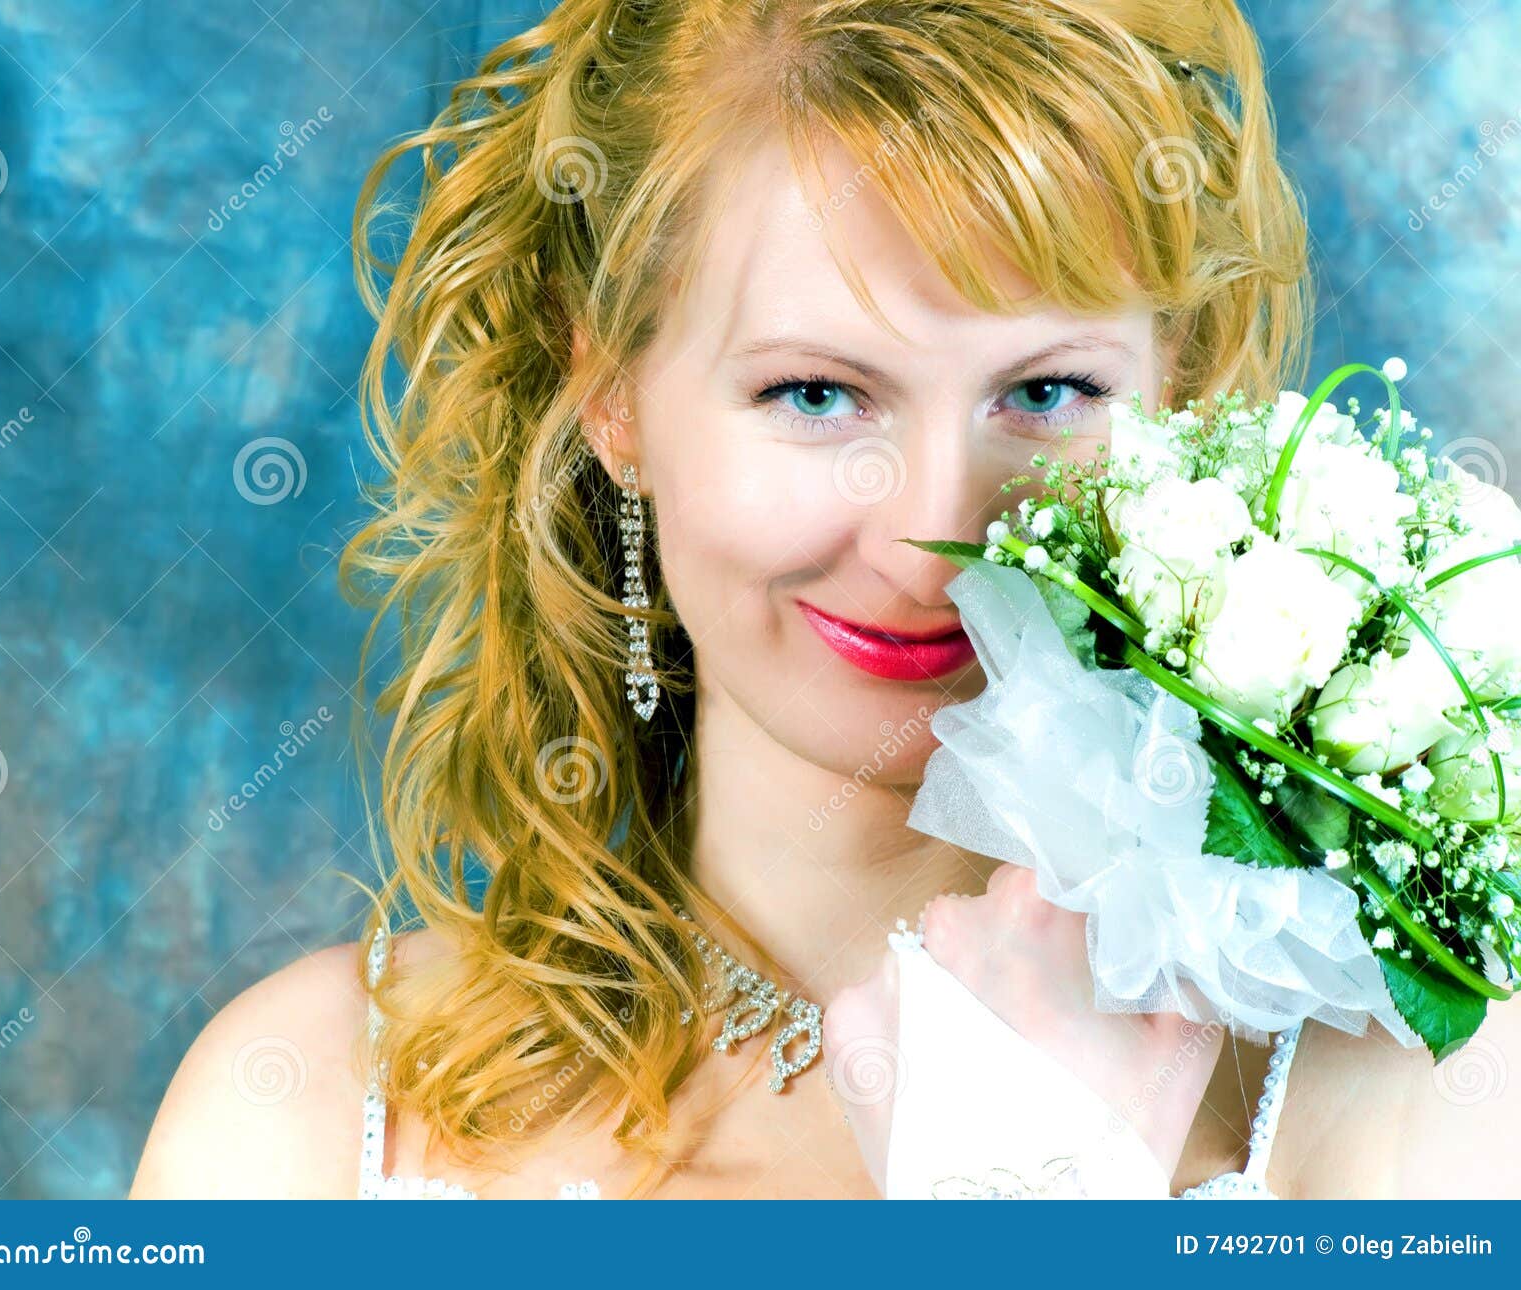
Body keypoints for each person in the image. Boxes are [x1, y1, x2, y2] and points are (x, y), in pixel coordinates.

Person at [129, 0, 1521, 1200]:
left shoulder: (1432, 1097)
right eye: (815, 392)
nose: (933, 551)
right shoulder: (297, 1117)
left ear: (1184, 396)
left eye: (1047, 392)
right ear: (609, 389)